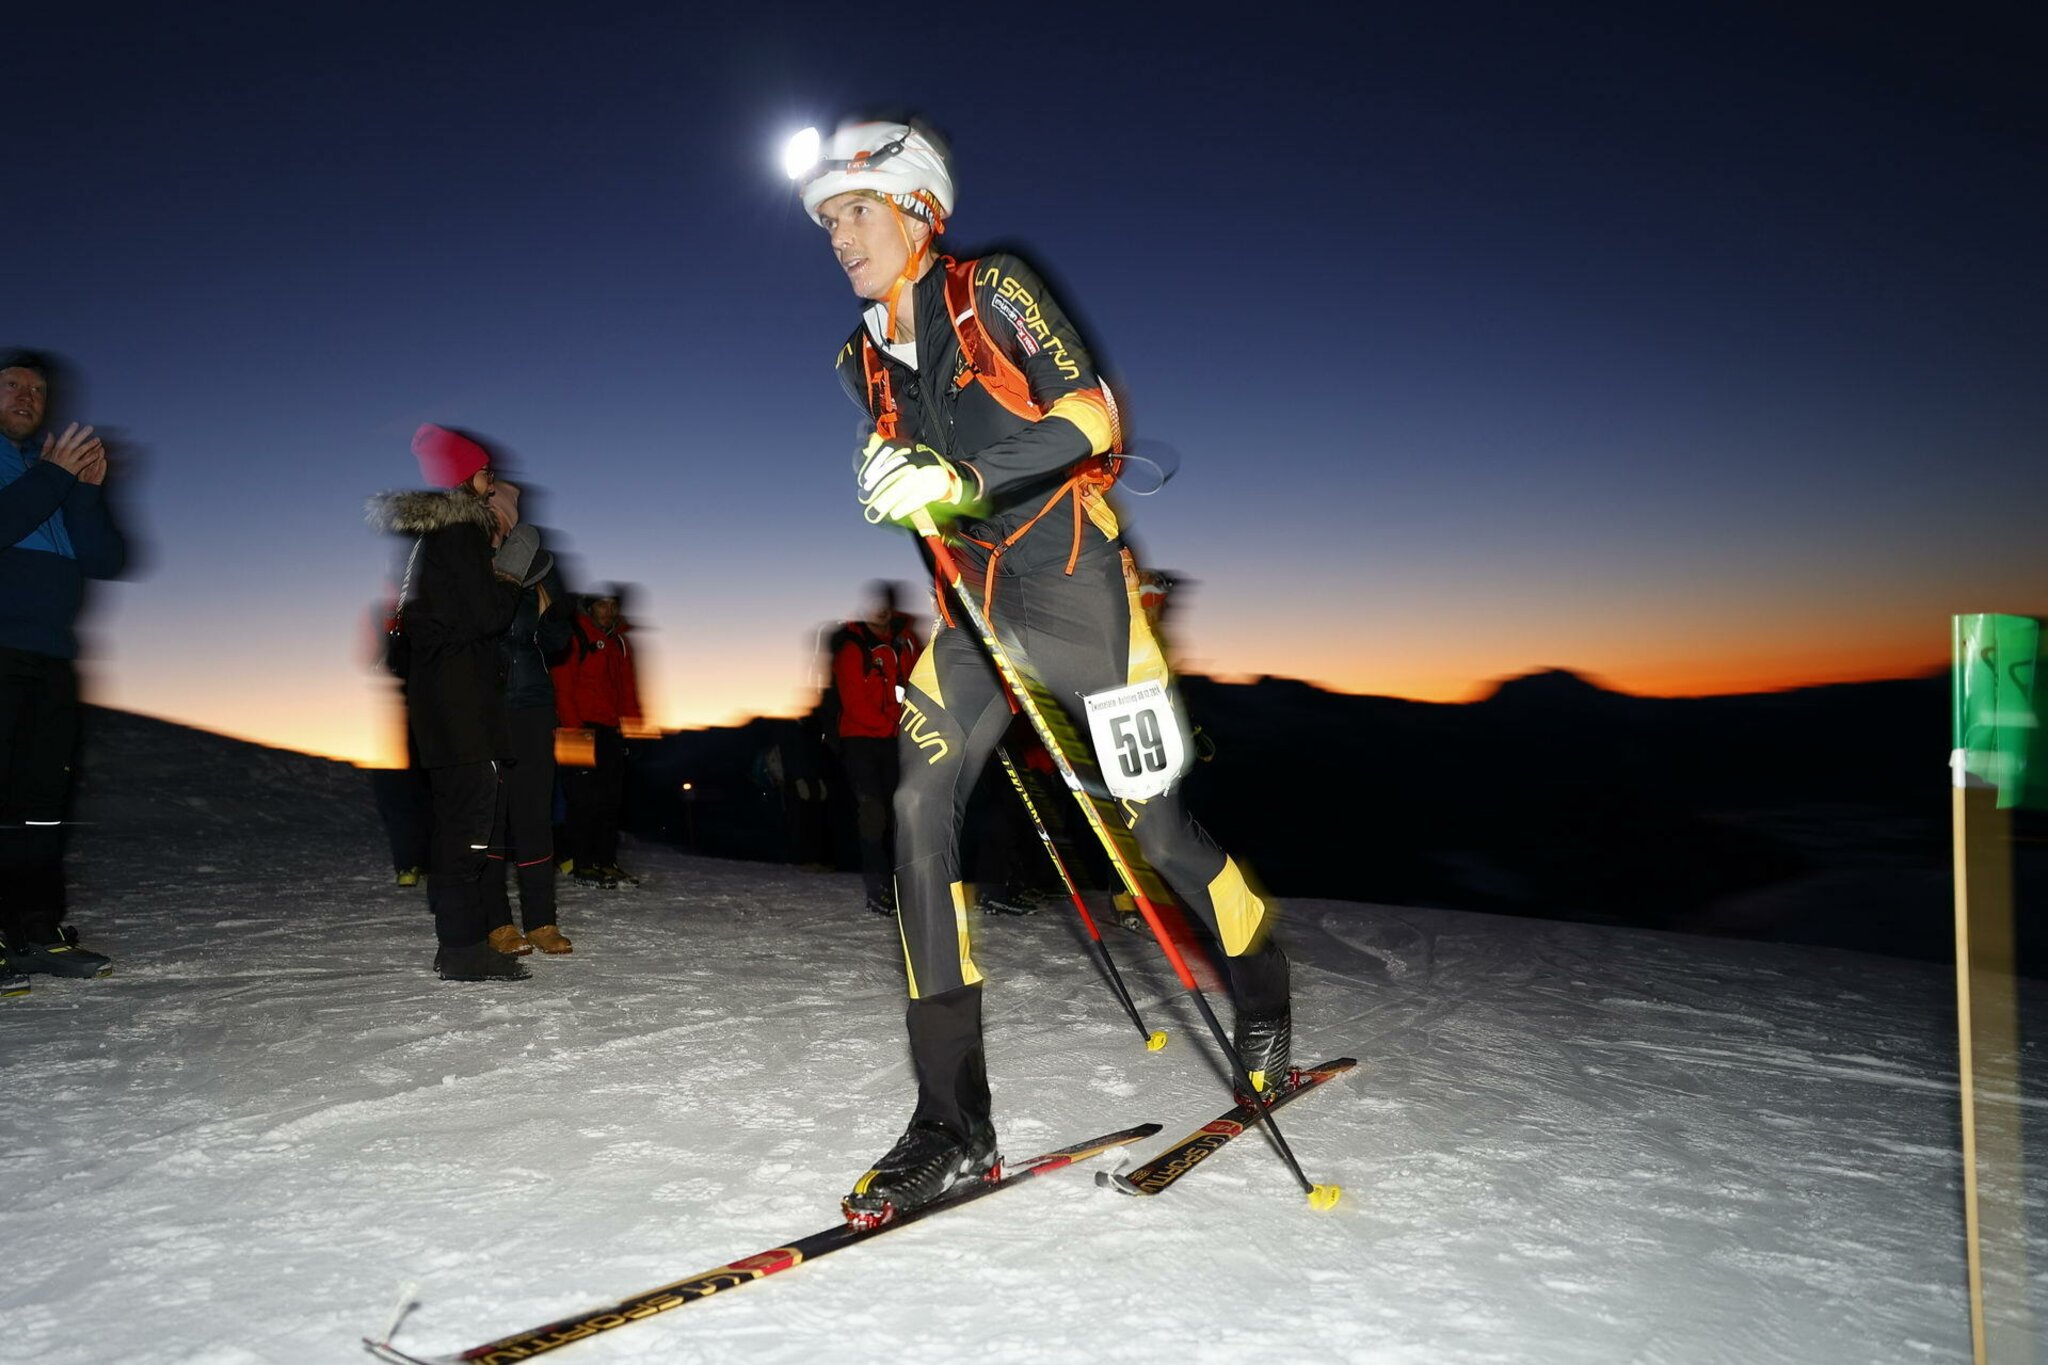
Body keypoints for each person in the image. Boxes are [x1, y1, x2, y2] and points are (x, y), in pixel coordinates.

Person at [789, 120, 1296, 1221]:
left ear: (921, 212)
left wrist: (950, 476)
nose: (839, 234)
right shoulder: (854, 358)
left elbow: (1087, 415)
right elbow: (910, 480)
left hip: (1083, 605)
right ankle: (950, 1124)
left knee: (1154, 832)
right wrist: (891, 486)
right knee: (918, 805)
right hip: (976, 617)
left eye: (858, 210)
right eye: (828, 217)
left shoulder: (993, 290)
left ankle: (1263, 993)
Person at [366, 424, 542, 982]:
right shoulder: (462, 529)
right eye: (486, 472)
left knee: (454, 823)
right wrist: (511, 574)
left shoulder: (429, 538)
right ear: (466, 478)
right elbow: (487, 615)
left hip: (439, 700)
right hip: (463, 702)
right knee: (469, 827)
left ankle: (460, 943)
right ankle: (464, 949)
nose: (493, 484)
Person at [0, 351, 127, 983]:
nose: (28, 397)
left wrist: (87, 492)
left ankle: (34, 932)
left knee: (39, 807)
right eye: (13, 385)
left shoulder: (42, 469)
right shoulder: (31, 473)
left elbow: (103, 559)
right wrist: (54, 477)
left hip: (51, 659)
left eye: (39, 390)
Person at [480, 503, 575, 955]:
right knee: (492, 817)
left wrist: (554, 610)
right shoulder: (475, 566)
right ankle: (497, 922)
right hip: (488, 708)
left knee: (534, 815)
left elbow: (557, 646)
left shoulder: (540, 569)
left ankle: (541, 921)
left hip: (535, 706)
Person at [826, 580, 921, 915]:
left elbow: (917, 686)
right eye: (873, 603)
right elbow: (855, 705)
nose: (880, 609)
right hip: (862, 741)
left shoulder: (905, 642)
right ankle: (878, 890)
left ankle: (905, 887)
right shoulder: (852, 647)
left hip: (897, 740)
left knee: (902, 814)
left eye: (885, 602)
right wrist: (895, 724)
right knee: (873, 814)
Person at [551, 589, 644, 889]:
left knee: (610, 799)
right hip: (576, 728)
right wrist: (573, 729)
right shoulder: (577, 635)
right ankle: (582, 862)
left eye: (613, 604)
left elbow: (628, 690)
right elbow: (563, 686)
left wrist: (633, 730)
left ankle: (605, 861)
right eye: (602, 604)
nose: (609, 610)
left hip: (609, 730)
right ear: (589, 607)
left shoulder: (620, 643)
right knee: (581, 799)